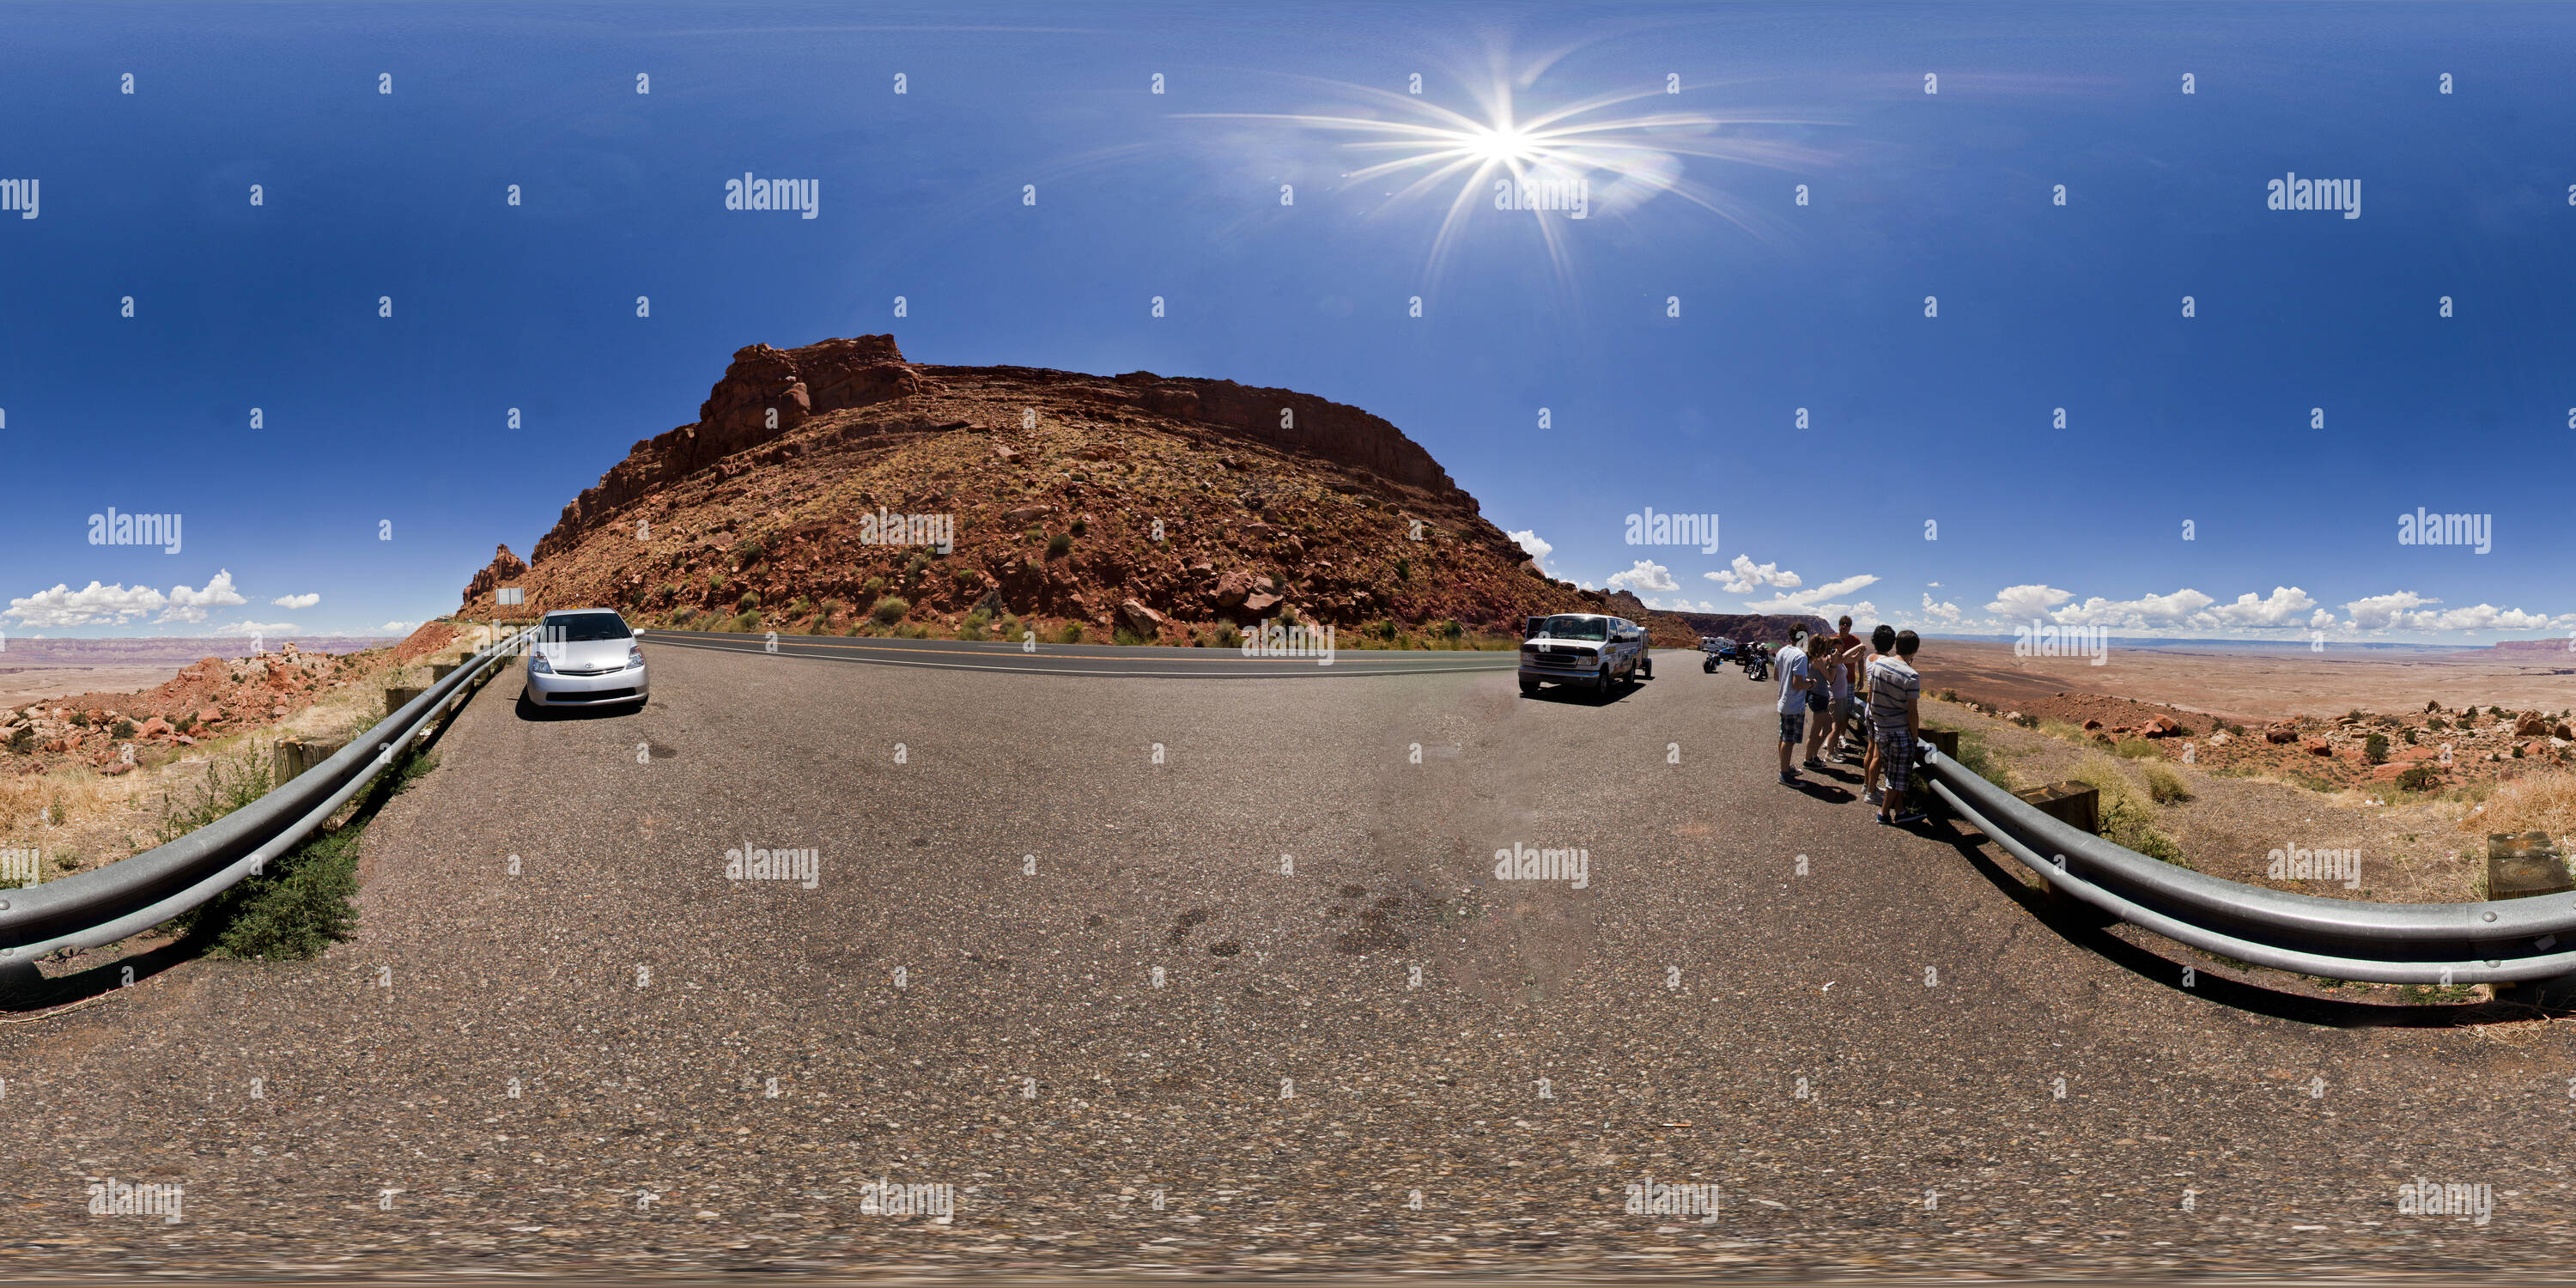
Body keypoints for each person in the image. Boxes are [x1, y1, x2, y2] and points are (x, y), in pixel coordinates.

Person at [1868, 628, 1925, 825]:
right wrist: (1915, 737)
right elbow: (1912, 713)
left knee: (1892, 773)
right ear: (1915, 650)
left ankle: (1900, 812)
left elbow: (1871, 697)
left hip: (1880, 729)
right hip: (1899, 732)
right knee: (1897, 777)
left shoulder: (1878, 664)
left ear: (1896, 645)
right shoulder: (1911, 676)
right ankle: (1883, 814)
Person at [1774, 628, 1817, 786]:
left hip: (1783, 701)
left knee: (1783, 736)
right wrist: (1811, 683)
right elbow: (1798, 683)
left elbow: (1776, 676)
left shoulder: (1782, 652)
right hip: (1794, 704)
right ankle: (1784, 775)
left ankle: (1785, 767)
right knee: (1789, 739)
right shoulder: (1800, 656)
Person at [1861, 624, 1895, 804]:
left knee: (1870, 748)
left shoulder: (1870, 658)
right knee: (1877, 755)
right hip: (1879, 710)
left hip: (1869, 707)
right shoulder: (1886, 662)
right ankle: (1872, 793)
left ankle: (1867, 784)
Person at [1829, 616, 1864, 761]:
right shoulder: (1833, 641)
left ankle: (1841, 736)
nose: (1844, 626)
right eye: (1842, 624)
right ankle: (1831, 739)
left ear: (1850, 626)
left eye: (1847, 624)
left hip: (1849, 681)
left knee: (1846, 711)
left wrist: (1862, 678)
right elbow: (1841, 658)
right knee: (1833, 712)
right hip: (1834, 681)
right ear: (1838, 625)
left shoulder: (1854, 640)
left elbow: (1859, 660)